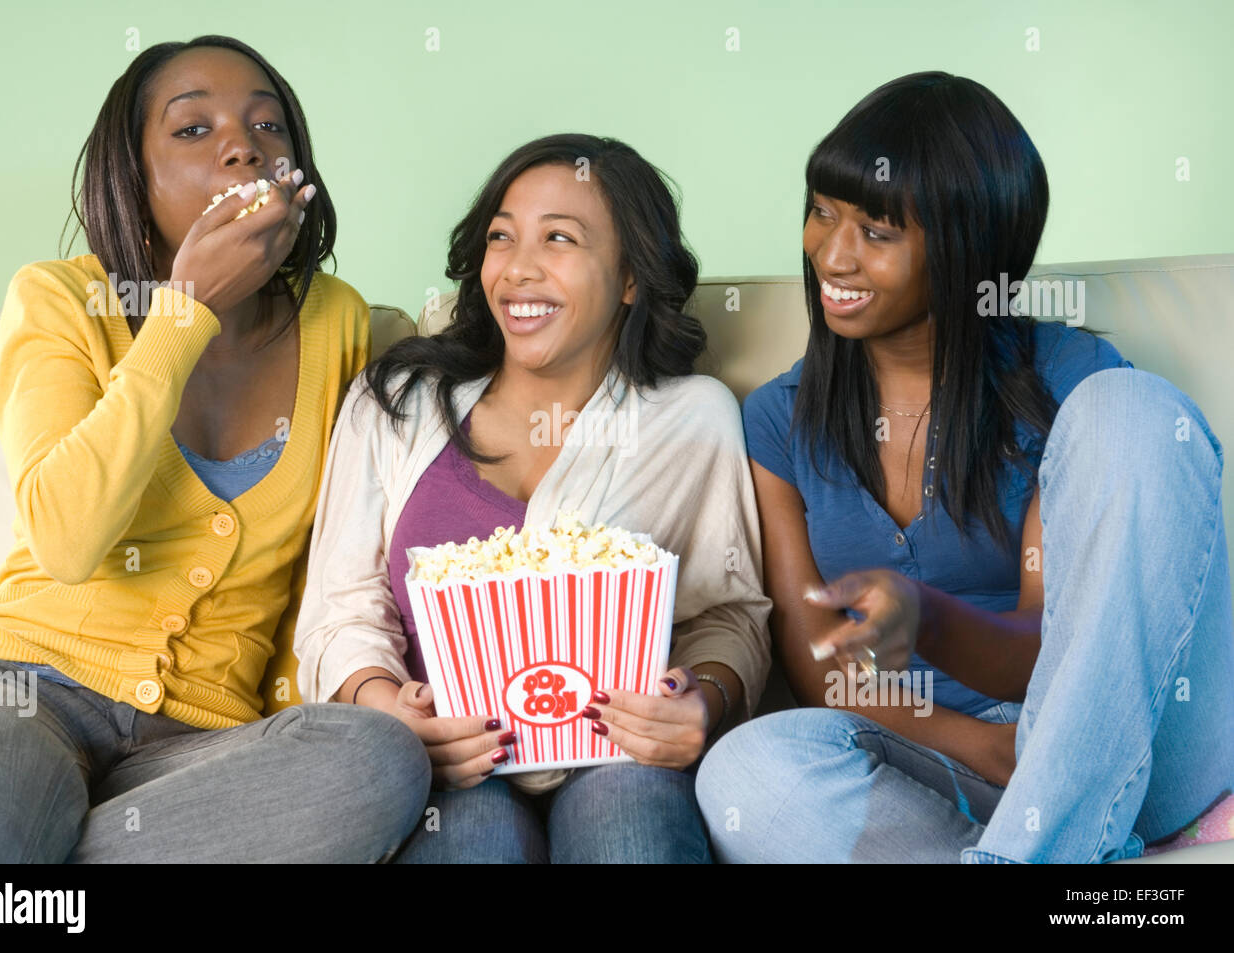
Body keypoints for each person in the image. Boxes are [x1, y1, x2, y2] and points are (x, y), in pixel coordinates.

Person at [694, 71, 1234, 863]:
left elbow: (1056, 651)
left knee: (1137, 409)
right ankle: (1051, 858)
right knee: (744, 770)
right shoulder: (778, 418)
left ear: (965, 249)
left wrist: (932, 621)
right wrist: (983, 749)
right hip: (947, 767)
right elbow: (823, 675)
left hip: (1131, 746)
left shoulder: (1074, 382)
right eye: (821, 211)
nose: (831, 255)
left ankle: (1034, 847)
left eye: (875, 232)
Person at [0, 36, 429, 863]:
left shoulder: (337, 319)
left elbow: (324, 575)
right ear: (132, 173)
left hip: (201, 747)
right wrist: (185, 310)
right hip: (19, 692)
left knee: (376, 757)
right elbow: (66, 537)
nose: (244, 144)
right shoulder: (61, 298)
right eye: (192, 129)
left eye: (268, 126)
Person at [293, 133, 772, 863]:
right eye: (501, 237)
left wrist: (704, 698)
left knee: (634, 840)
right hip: (451, 759)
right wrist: (385, 704)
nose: (518, 269)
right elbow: (342, 602)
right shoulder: (395, 401)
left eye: (560, 239)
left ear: (632, 277)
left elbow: (728, 612)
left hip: (616, 753)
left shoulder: (693, 416)